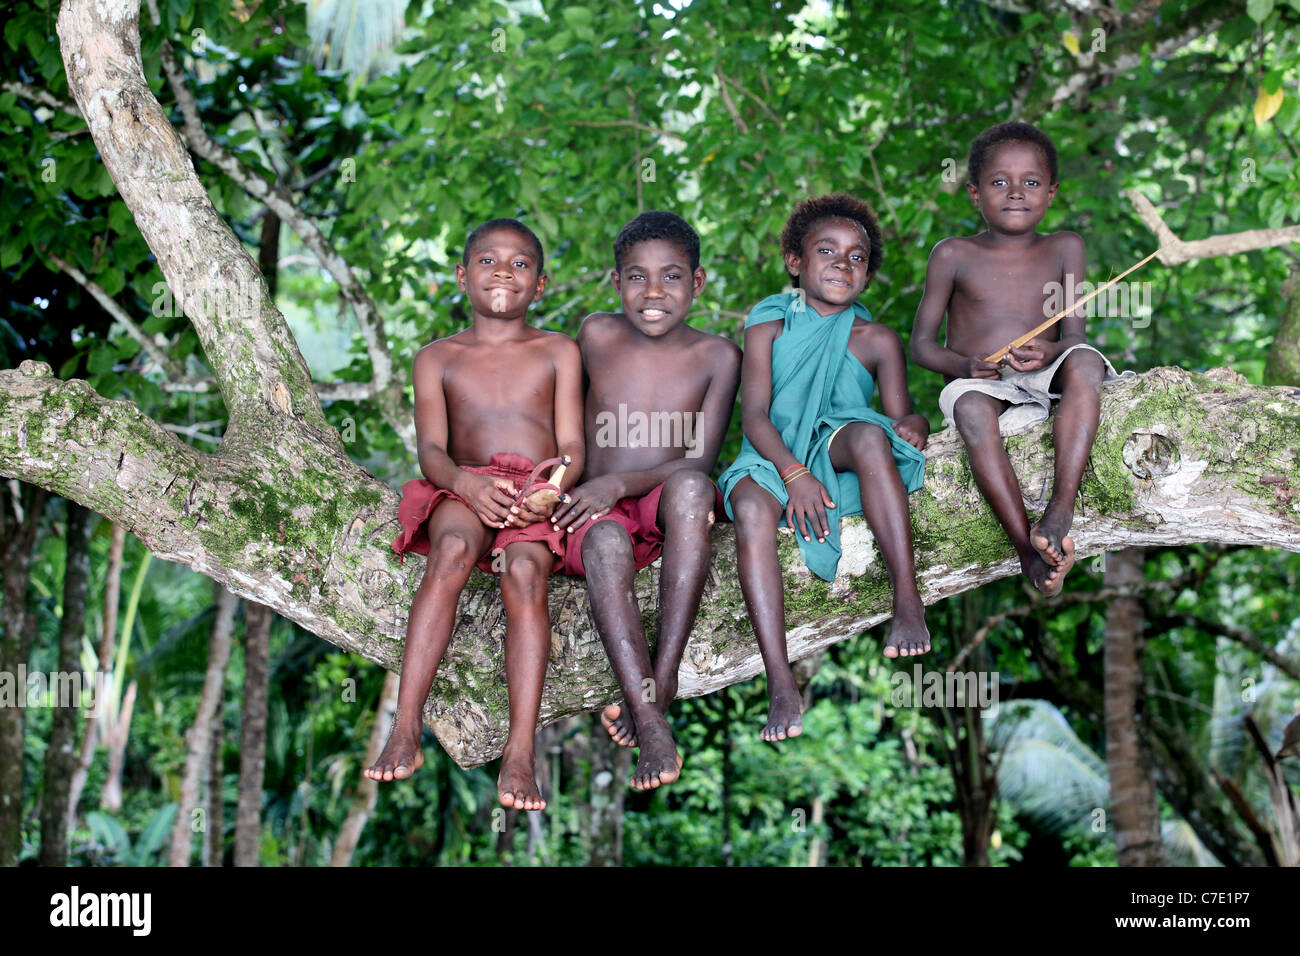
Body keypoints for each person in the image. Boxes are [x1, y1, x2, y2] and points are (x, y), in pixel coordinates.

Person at [368, 218, 584, 812]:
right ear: (463, 276)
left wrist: (549, 489)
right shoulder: (436, 358)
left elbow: (572, 446)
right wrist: (468, 483)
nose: (504, 273)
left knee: (525, 575)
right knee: (452, 554)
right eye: (489, 261)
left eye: (520, 264)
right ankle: (407, 725)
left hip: (536, 491)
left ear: (540, 285)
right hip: (462, 486)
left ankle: (519, 751)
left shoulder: (559, 351)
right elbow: (431, 452)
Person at [718, 194, 932, 743]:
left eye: (858, 257)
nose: (843, 263)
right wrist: (793, 474)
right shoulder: (768, 325)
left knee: (867, 434)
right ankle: (780, 679)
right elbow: (756, 418)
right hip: (773, 454)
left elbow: (900, 411)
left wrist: (917, 425)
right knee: (747, 508)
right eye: (827, 251)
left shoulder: (878, 339)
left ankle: (907, 600)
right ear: (795, 262)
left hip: (839, 443)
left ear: (868, 273)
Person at [550, 211, 740, 790]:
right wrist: (575, 487)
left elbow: (698, 461)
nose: (653, 292)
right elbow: (562, 425)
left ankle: (663, 679)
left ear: (698, 283)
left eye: (671, 277)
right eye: (637, 276)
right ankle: (653, 724)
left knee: (693, 489)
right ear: (615, 283)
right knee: (606, 539)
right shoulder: (596, 334)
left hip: (660, 505)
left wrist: (622, 484)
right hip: (593, 514)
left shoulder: (719, 356)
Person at [910, 121, 1133, 597]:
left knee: (1088, 364)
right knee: (969, 409)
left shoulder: (1065, 247)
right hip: (982, 381)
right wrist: (964, 366)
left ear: (1051, 193)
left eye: (1031, 182)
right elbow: (922, 347)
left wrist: (1049, 350)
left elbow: (1073, 336)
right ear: (974, 194)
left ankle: (1060, 508)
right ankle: (1025, 550)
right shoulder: (952, 254)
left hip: (1046, 371)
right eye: (999, 183)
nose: (1016, 193)